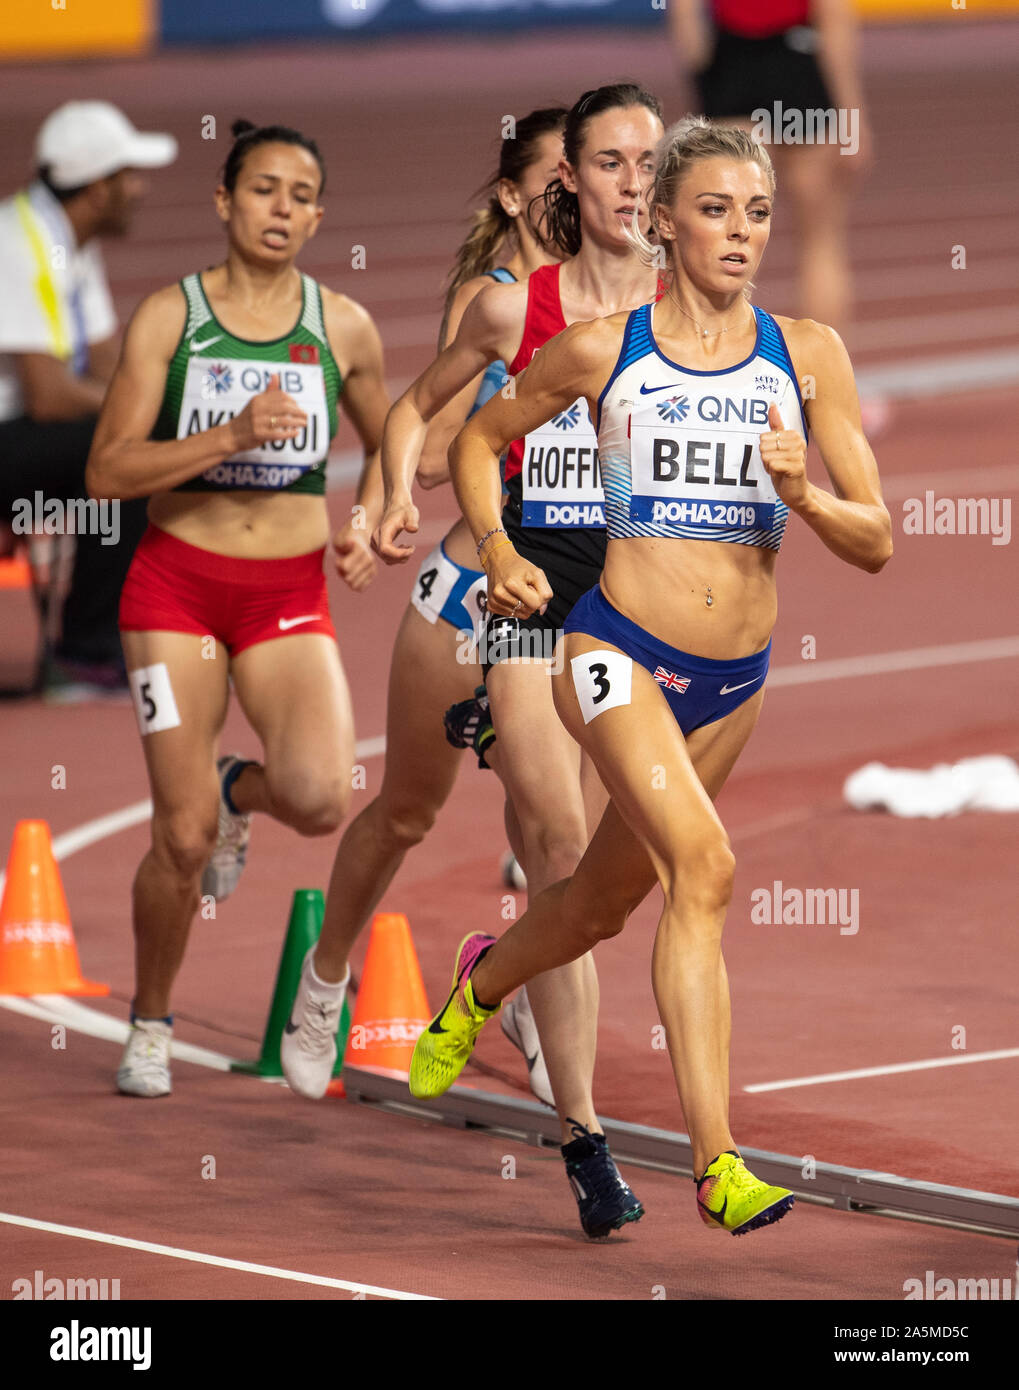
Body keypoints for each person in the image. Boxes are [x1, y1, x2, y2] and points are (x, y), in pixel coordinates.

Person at [411, 116, 892, 1237]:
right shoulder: (602, 352)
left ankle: (482, 981)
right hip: (612, 652)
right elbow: (475, 443)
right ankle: (717, 1164)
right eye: (715, 210)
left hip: (733, 683)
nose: (739, 233)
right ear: (663, 223)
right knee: (707, 870)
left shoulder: (806, 353)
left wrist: (806, 495)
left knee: (595, 907)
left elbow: (876, 539)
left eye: (758, 212)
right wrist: (500, 550)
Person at [375, 84, 668, 1241]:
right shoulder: (510, 310)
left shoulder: (693, 304)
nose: (634, 182)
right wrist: (398, 493)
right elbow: (423, 409)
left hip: (641, 602)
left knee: (608, 883)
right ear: (573, 184)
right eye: (610, 163)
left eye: (650, 161)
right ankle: (586, 1142)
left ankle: (495, 969)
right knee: (552, 845)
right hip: (532, 587)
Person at [85, 120, 389, 1098]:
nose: (282, 210)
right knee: (177, 840)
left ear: (318, 216)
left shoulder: (339, 325)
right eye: (264, 190)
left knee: (317, 795)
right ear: (224, 201)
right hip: (176, 589)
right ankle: (149, 1022)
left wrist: (373, 522)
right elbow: (105, 470)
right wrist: (222, 436)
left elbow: (396, 442)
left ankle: (235, 792)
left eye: (301, 196)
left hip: (286, 595)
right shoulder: (169, 321)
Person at [281, 107, 568, 1112]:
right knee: (407, 805)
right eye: (557, 174)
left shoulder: (622, 297)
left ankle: (526, 986)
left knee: (557, 823)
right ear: (510, 193)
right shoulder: (490, 304)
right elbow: (428, 430)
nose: (581, 190)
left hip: (569, 594)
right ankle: (322, 982)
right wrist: (379, 508)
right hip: (466, 590)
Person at [0, 101, 177, 699]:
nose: (141, 188)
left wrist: (164, 404)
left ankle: (103, 640)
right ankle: (83, 654)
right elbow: (50, 397)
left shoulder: (67, 239)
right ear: (99, 188)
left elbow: (108, 362)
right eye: (130, 176)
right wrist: (148, 422)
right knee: (126, 460)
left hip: (20, 436)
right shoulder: (16, 243)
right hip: (13, 433)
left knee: (144, 440)